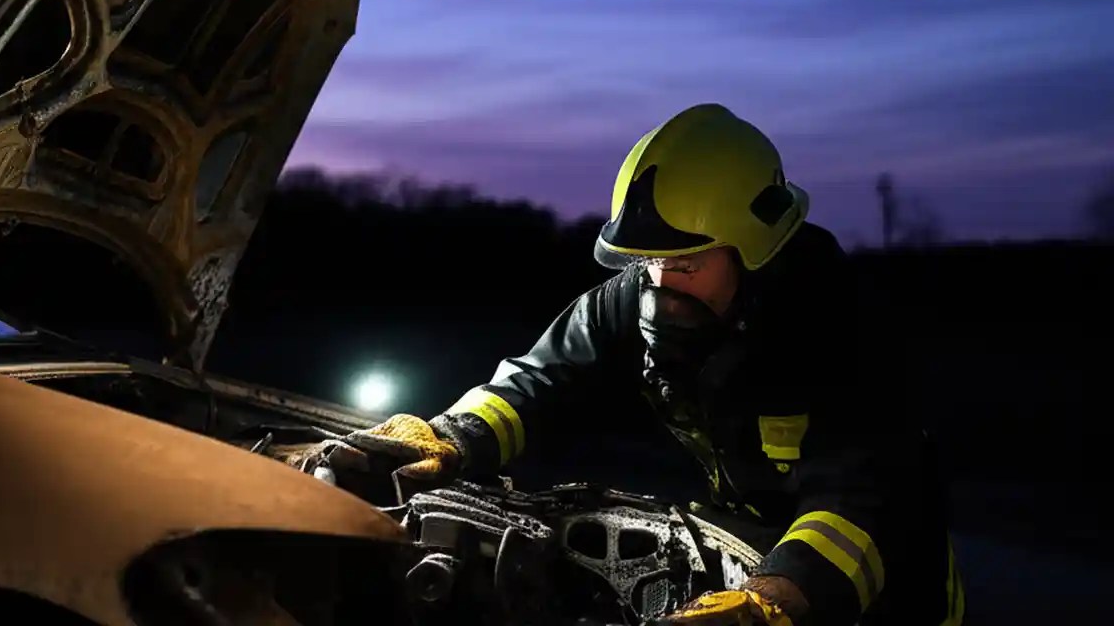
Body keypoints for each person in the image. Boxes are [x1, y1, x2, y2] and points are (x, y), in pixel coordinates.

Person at [285, 104, 965, 626]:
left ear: (755, 252)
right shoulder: (643, 296)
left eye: (686, 262)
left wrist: (774, 601)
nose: (661, 286)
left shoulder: (842, 332)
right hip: (756, 548)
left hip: (882, 597)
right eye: (647, 261)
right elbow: (540, 379)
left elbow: (862, 508)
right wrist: (454, 435)